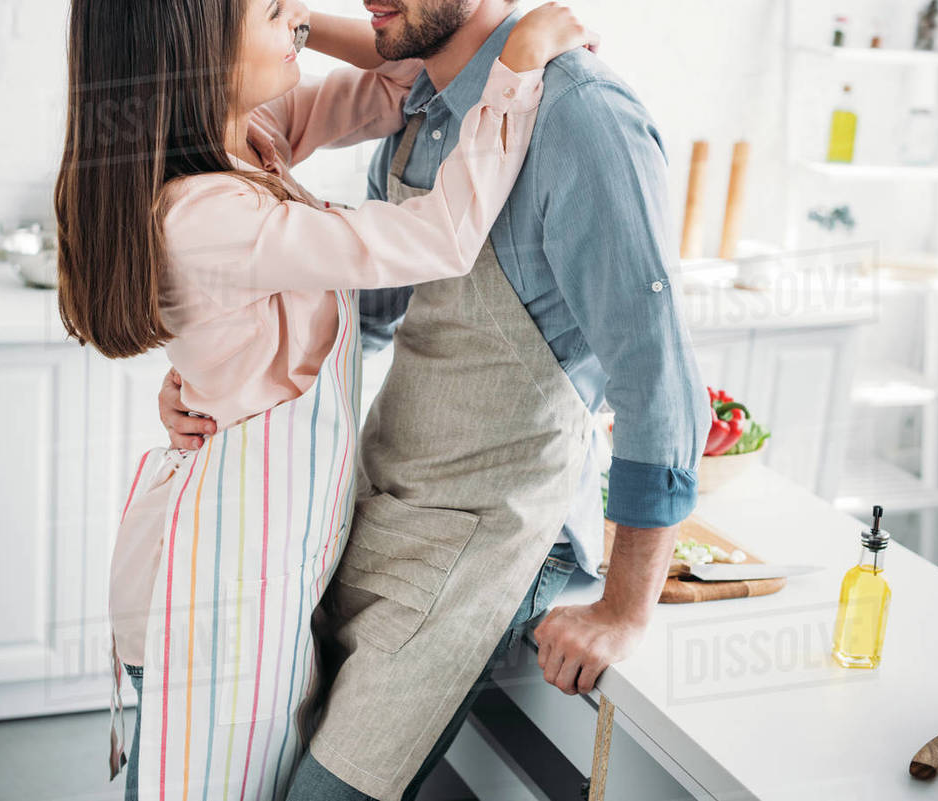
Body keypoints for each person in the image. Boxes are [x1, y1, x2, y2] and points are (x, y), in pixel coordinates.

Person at [159, 0, 710, 798]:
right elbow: (363, 312)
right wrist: (217, 369)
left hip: (484, 547)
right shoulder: (422, 108)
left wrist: (624, 610)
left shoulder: (581, 116)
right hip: (369, 523)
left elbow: (659, 378)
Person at [53, 0, 597, 799]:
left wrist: (300, 24)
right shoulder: (208, 212)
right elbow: (439, 237)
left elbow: (405, 77)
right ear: (198, 52)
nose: (302, 24)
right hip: (212, 590)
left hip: (250, 567)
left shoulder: (248, 138)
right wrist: (516, 66)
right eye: (277, 13)